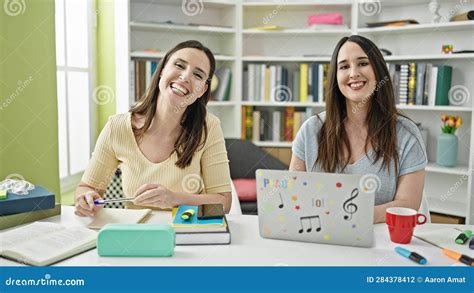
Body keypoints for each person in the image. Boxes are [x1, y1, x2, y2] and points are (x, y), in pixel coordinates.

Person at [74, 40, 232, 217]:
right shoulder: (117, 127)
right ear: (163, 69)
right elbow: (87, 188)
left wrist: (174, 199)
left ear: (202, 90)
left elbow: (223, 202)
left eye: (197, 75)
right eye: (179, 65)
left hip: (187, 232)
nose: (186, 77)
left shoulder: (208, 127)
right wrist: (85, 200)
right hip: (137, 236)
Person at [290, 35, 427, 223]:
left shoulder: (406, 134)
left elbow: (407, 204)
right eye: (344, 66)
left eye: (362, 63)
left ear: (378, 71)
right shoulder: (311, 130)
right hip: (321, 240)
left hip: (381, 244)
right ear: (335, 77)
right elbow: (294, 193)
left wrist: (352, 216)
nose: (353, 73)